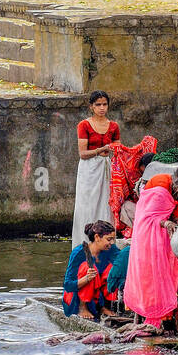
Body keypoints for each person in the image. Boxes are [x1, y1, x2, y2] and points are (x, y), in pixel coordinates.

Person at [124, 163, 178, 331]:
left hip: (166, 233)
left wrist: (172, 227)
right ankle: (148, 315)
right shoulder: (160, 188)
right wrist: (164, 222)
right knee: (149, 272)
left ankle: (159, 314)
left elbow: (176, 214)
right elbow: (148, 217)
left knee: (166, 269)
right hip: (149, 232)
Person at [71, 90, 120, 248]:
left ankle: (106, 243)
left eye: (104, 104)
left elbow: (118, 150)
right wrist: (100, 150)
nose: (102, 108)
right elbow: (83, 154)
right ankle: (84, 244)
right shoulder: (84, 125)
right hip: (89, 169)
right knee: (87, 205)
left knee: (107, 204)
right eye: (98, 104)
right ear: (91, 106)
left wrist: (113, 151)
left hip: (106, 168)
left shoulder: (113, 126)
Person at [62, 220, 119, 320]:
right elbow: (68, 285)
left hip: (97, 297)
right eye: (109, 239)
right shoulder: (78, 253)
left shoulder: (111, 249)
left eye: (113, 239)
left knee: (114, 268)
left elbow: (121, 261)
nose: (111, 243)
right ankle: (82, 308)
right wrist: (86, 278)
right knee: (88, 267)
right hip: (75, 299)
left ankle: (103, 307)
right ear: (97, 237)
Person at [108, 140, 158, 238]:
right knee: (126, 206)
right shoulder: (146, 179)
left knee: (126, 207)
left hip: (151, 215)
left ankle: (140, 233)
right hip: (150, 214)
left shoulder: (152, 180)